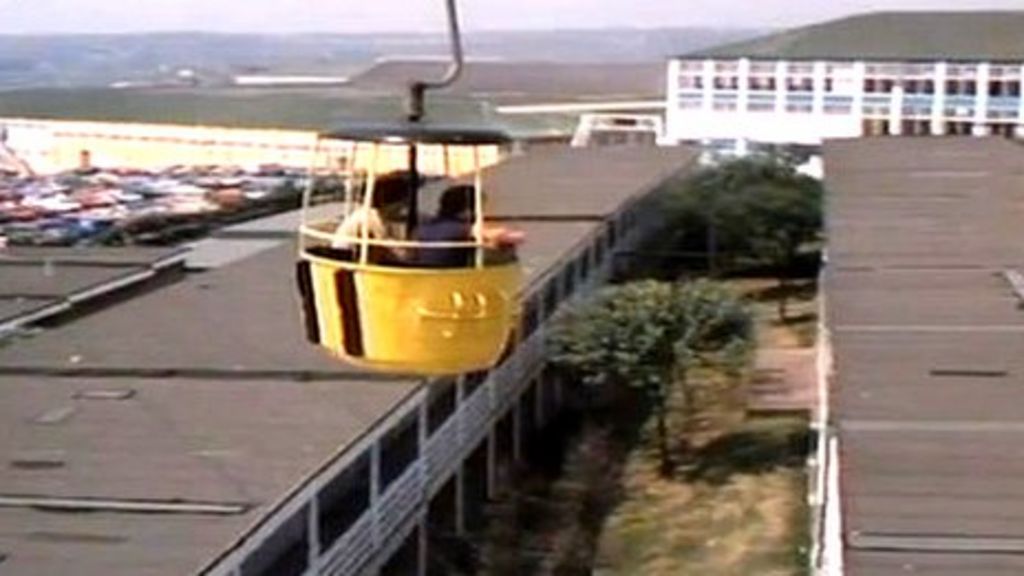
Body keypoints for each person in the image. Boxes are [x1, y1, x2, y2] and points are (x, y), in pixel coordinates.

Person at [415, 184, 523, 267]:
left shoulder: (424, 225)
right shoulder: (460, 229)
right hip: (453, 279)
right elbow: (504, 236)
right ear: (468, 210)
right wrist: (514, 235)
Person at [331, 171, 411, 261]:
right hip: (345, 260)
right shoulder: (369, 218)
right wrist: (407, 255)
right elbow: (386, 246)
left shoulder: (376, 215)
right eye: (402, 200)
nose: (404, 205)